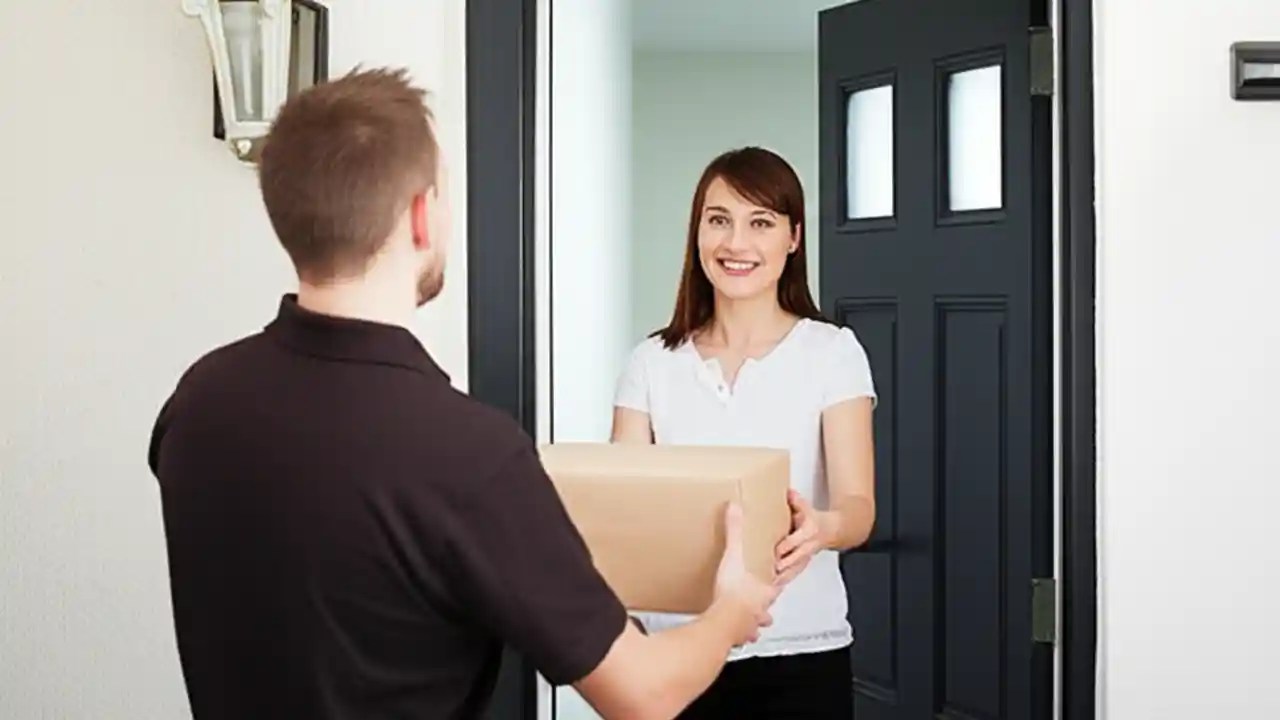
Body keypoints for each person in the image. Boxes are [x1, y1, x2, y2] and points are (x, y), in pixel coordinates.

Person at [147, 68, 778, 720]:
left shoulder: (200, 401)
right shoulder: (469, 454)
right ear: (423, 215)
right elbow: (643, 693)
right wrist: (731, 609)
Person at [612, 147, 878, 718]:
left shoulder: (833, 353)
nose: (736, 243)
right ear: (697, 233)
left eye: (760, 222)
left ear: (793, 238)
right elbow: (621, 508)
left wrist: (821, 527)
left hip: (801, 653)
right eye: (719, 220)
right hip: (676, 653)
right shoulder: (651, 363)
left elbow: (859, 509)